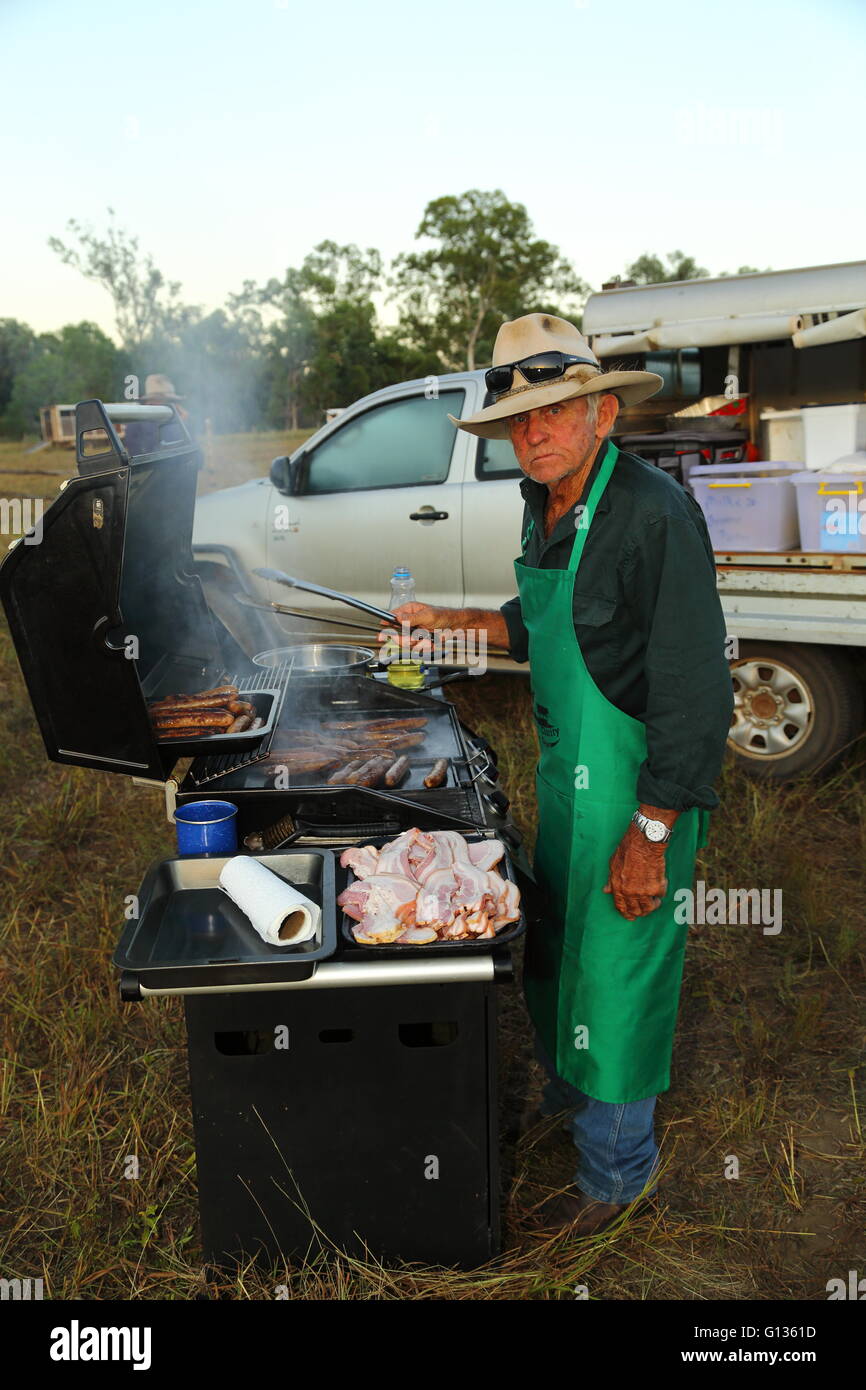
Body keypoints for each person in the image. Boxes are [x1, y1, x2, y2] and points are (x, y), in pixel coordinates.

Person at [381, 314, 734, 1237]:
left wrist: (652, 832)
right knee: (559, 949)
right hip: (568, 778)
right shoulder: (545, 505)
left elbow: (698, 694)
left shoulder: (655, 516)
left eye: (553, 413)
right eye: (518, 420)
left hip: (638, 789)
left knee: (618, 979)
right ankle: (573, 1101)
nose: (532, 433)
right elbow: (538, 622)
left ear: (602, 414)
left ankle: (615, 1181)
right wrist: (445, 620)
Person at [123, 374, 189, 456]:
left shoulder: (179, 420)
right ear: (154, 400)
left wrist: (184, 424)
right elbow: (150, 459)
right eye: (170, 400)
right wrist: (178, 426)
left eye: (173, 401)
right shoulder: (136, 424)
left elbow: (198, 459)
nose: (176, 406)